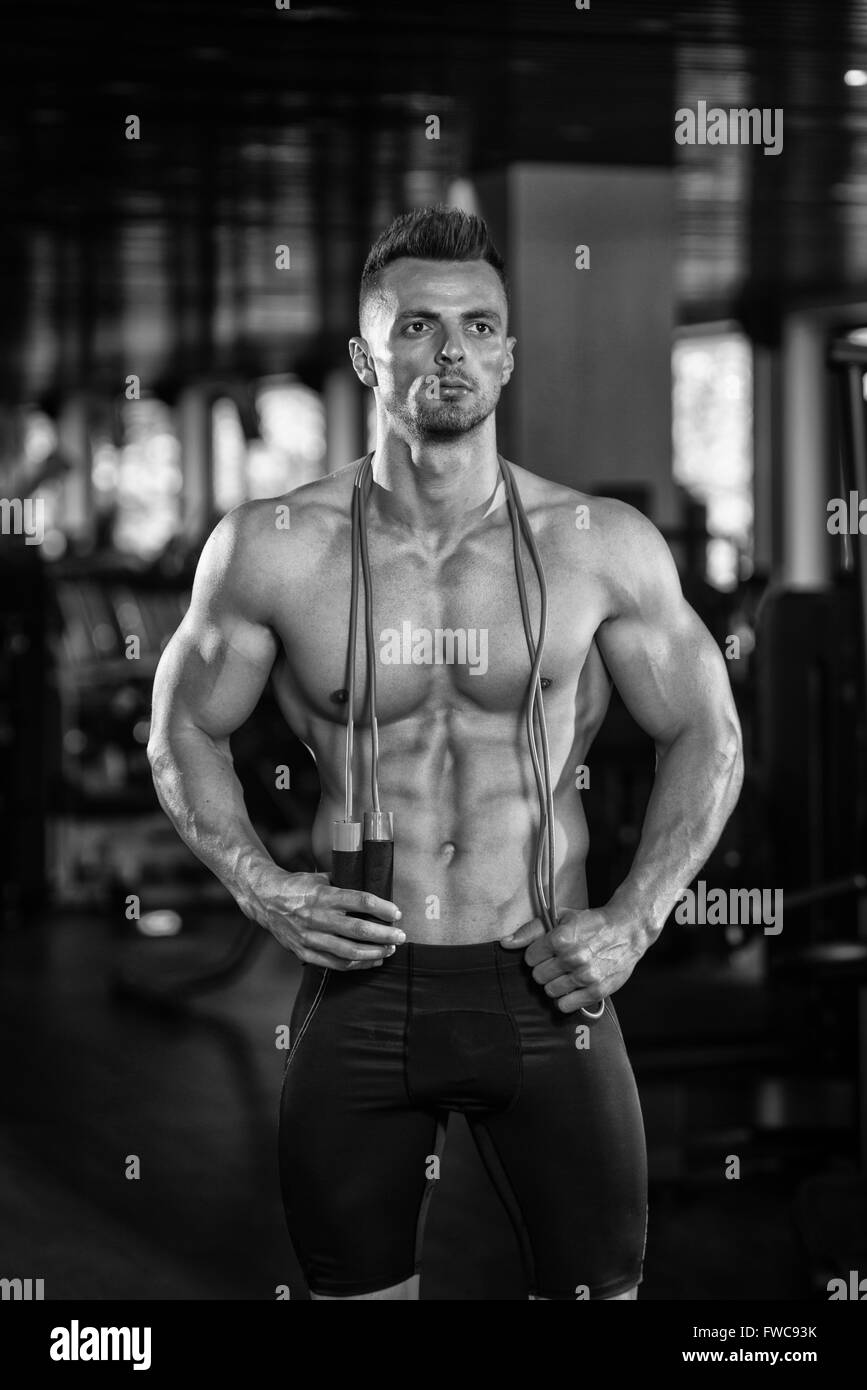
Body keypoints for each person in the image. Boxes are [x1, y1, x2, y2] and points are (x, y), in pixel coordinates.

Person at [147, 206, 743, 1301]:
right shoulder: (274, 549)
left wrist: (635, 917)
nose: (451, 351)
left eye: (478, 326)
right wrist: (264, 889)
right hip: (363, 985)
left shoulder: (600, 546)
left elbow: (710, 730)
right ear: (364, 354)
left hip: (549, 981)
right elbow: (180, 726)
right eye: (417, 326)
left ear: (508, 353)